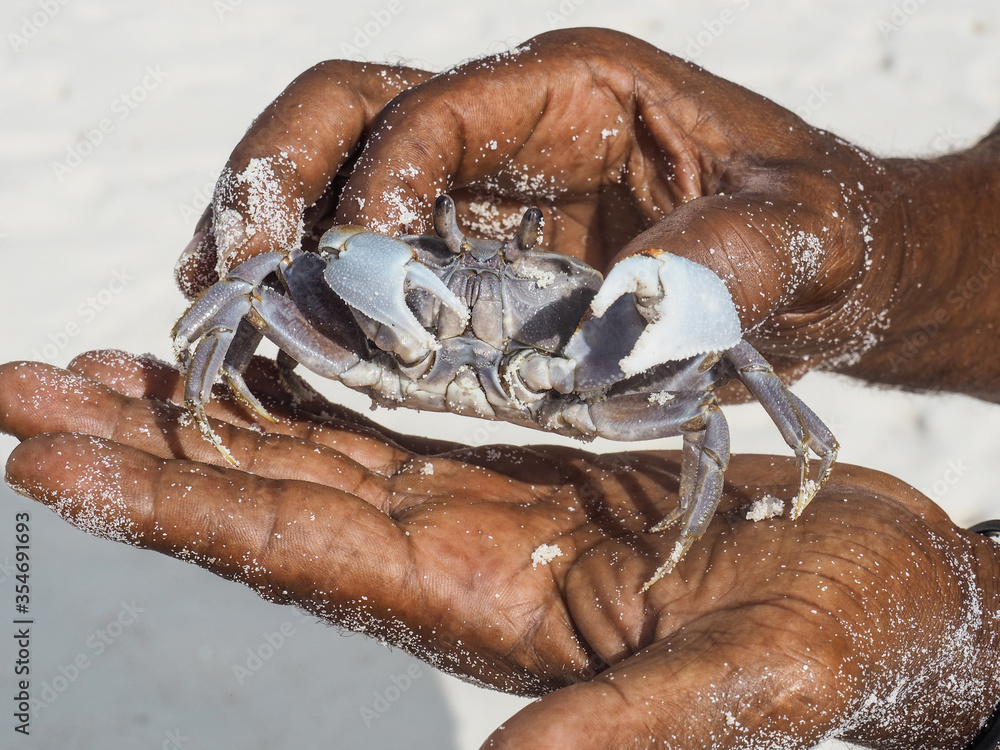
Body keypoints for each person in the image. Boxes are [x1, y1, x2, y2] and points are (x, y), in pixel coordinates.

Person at [3, 27, 1000, 749]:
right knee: (264, 270)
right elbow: (259, 276)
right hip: (394, 341)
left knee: (706, 390)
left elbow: (715, 387)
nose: (486, 301)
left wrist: (974, 630)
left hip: (586, 381)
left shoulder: (619, 351)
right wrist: (895, 249)